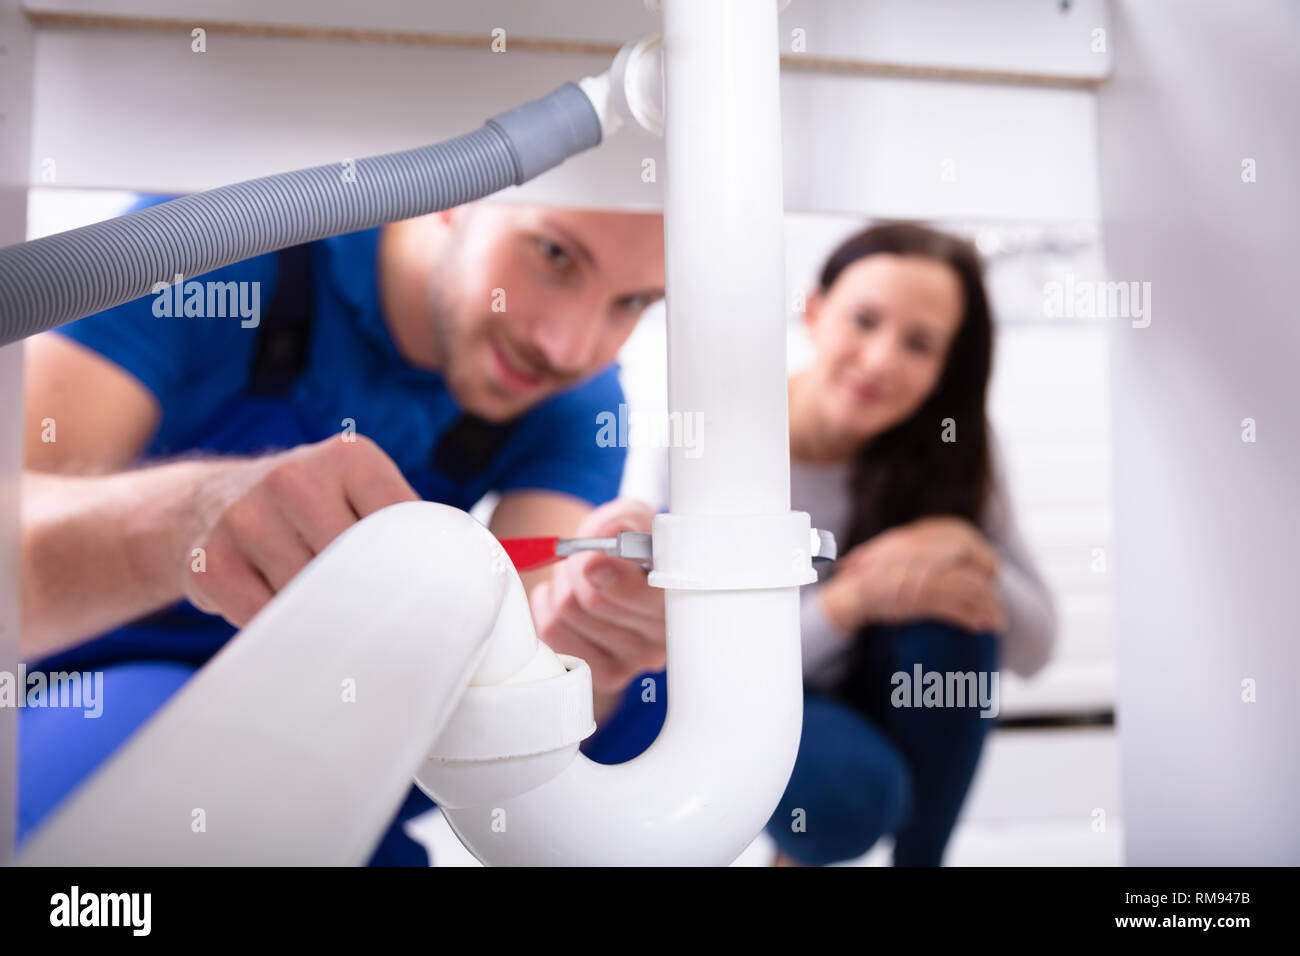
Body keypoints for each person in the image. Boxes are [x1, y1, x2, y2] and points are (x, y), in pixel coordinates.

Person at [18, 196, 670, 865]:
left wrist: (586, 648)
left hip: (329, 731)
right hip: (81, 692)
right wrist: (192, 516)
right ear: (458, 194)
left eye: (633, 302)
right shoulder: (201, 250)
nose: (566, 346)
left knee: (654, 701)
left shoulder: (574, 400)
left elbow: (518, 660)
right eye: (554, 255)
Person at [583, 222, 1057, 867]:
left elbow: (1034, 649)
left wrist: (960, 543)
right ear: (814, 312)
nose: (881, 360)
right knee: (849, 798)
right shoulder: (697, 439)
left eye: (919, 344)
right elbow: (684, 661)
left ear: (945, 369)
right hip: (727, 692)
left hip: (863, 686)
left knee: (957, 612)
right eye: (864, 320)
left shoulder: (958, 452)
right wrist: (852, 602)